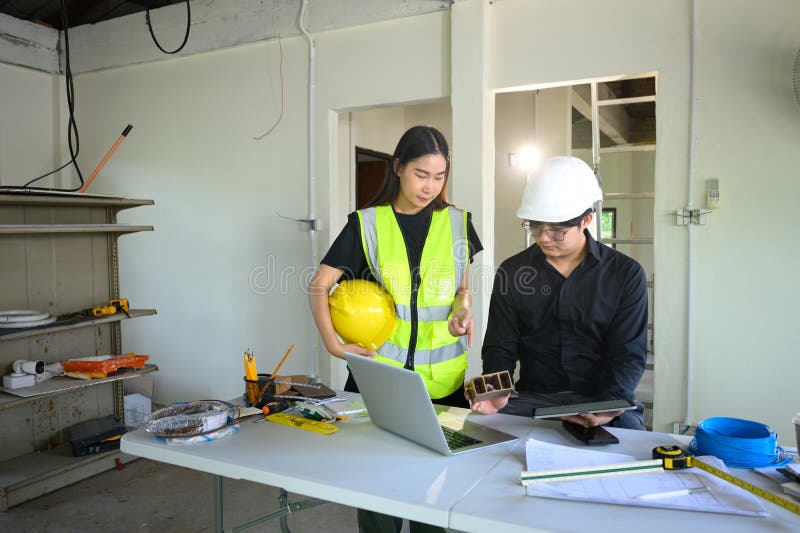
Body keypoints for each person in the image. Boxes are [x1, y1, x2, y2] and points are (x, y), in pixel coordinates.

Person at [308, 125, 482, 533]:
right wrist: (334, 346)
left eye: (439, 177)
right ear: (398, 167)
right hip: (380, 383)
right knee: (378, 499)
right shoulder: (366, 224)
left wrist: (464, 310)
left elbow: (462, 288)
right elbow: (319, 285)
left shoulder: (458, 223)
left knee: (435, 504)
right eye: (422, 174)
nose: (430, 187)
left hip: (444, 387)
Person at [471, 156, 648, 431]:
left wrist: (608, 406)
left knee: (626, 450)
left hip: (602, 400)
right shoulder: (513, 271)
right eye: (535, 226)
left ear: (586, 220)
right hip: (534, 400)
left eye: (557, 229)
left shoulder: (625, 275)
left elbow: (627, 355)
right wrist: (496, 390)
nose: (543, 237)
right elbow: (499, 347)